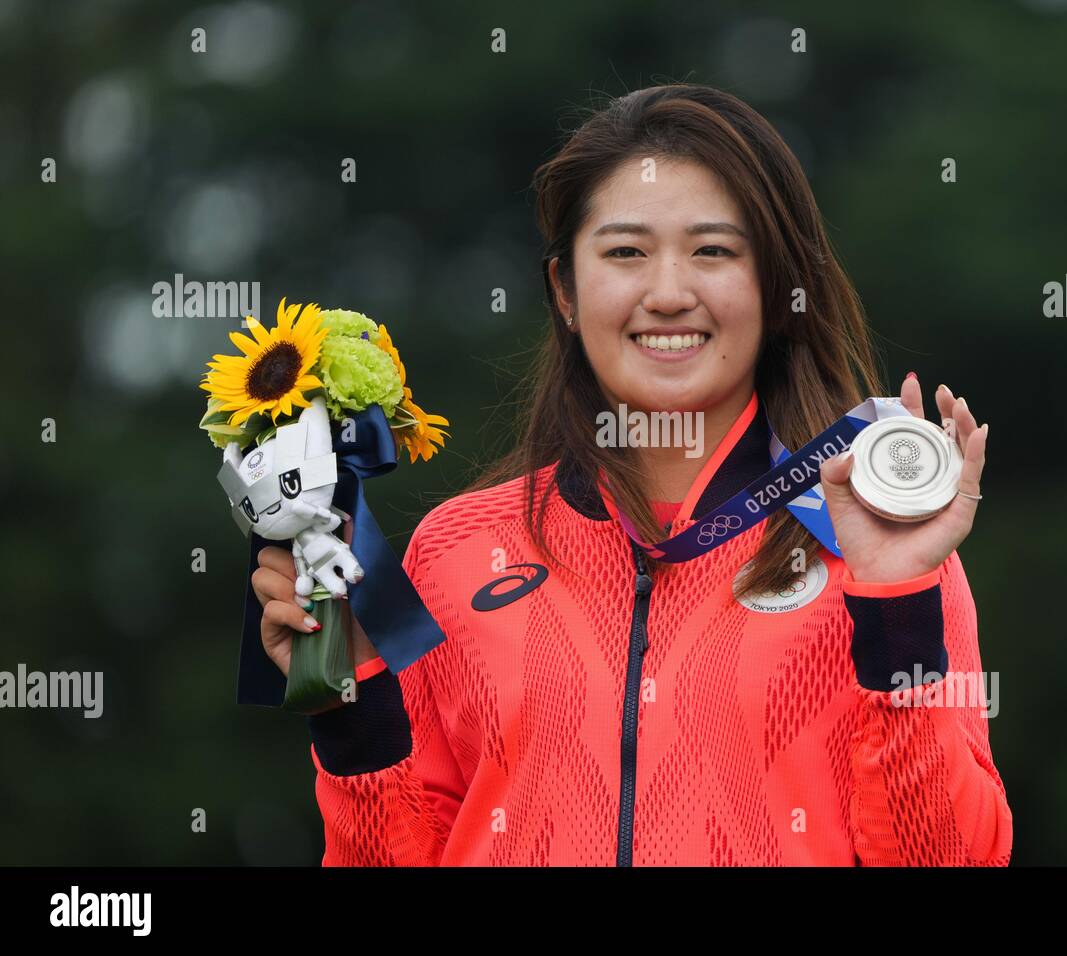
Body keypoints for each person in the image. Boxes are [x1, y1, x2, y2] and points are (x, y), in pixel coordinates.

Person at [251, 83, 1012, 866]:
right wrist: (350, 697)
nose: (669, 293)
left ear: (781, 291)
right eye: (625, 253)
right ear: (566, 293)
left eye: (714, 251)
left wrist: (896, 609)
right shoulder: (455, 550)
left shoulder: (879, 544)